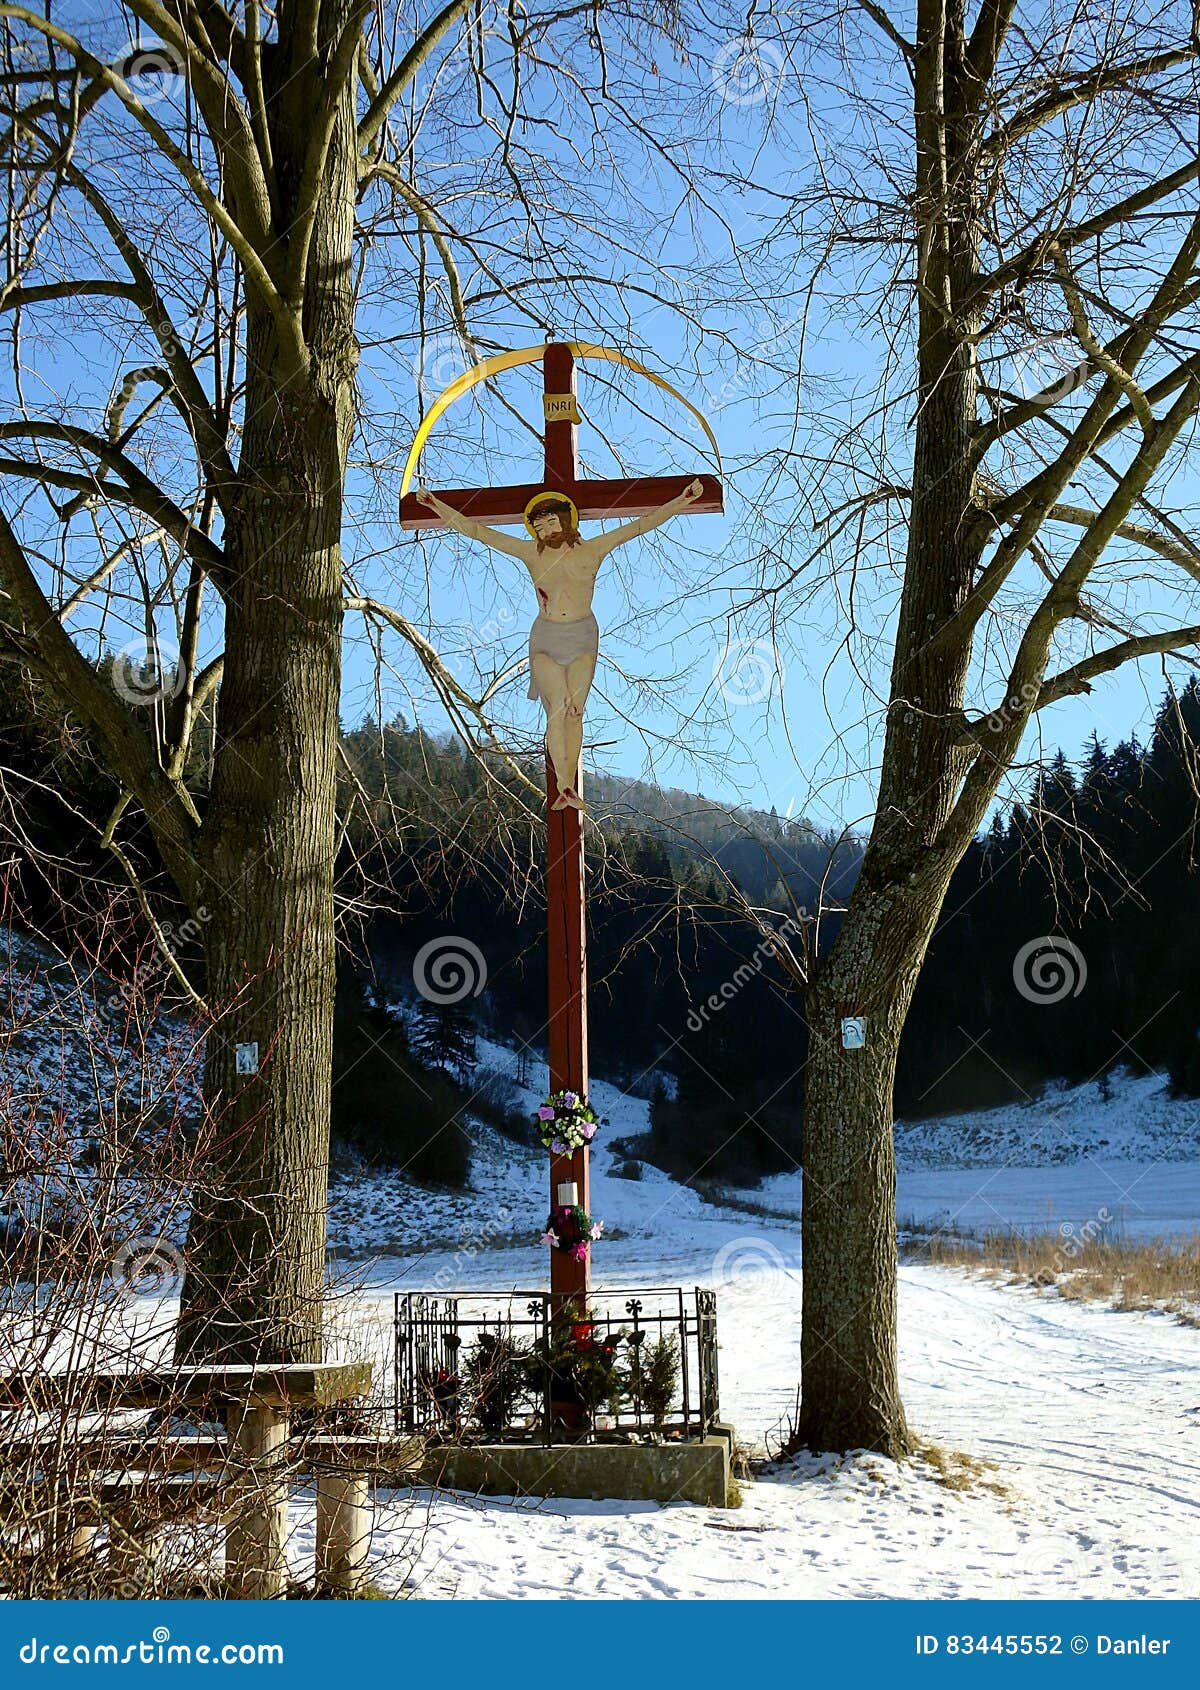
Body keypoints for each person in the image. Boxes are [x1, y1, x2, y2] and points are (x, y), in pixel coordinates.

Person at [416, 479, 705, 810]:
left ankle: (569, 788)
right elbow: (479, 532)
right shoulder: (530, 553)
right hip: (546, 638)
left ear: (566, 521)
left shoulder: (593, 549)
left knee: (574, 712)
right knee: (556, 710)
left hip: (583, 636)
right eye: (538, 527)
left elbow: (640, 526)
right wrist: (435, 505)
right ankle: (562, 784)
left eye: (551, 522)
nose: (544, 531)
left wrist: (681, 500)